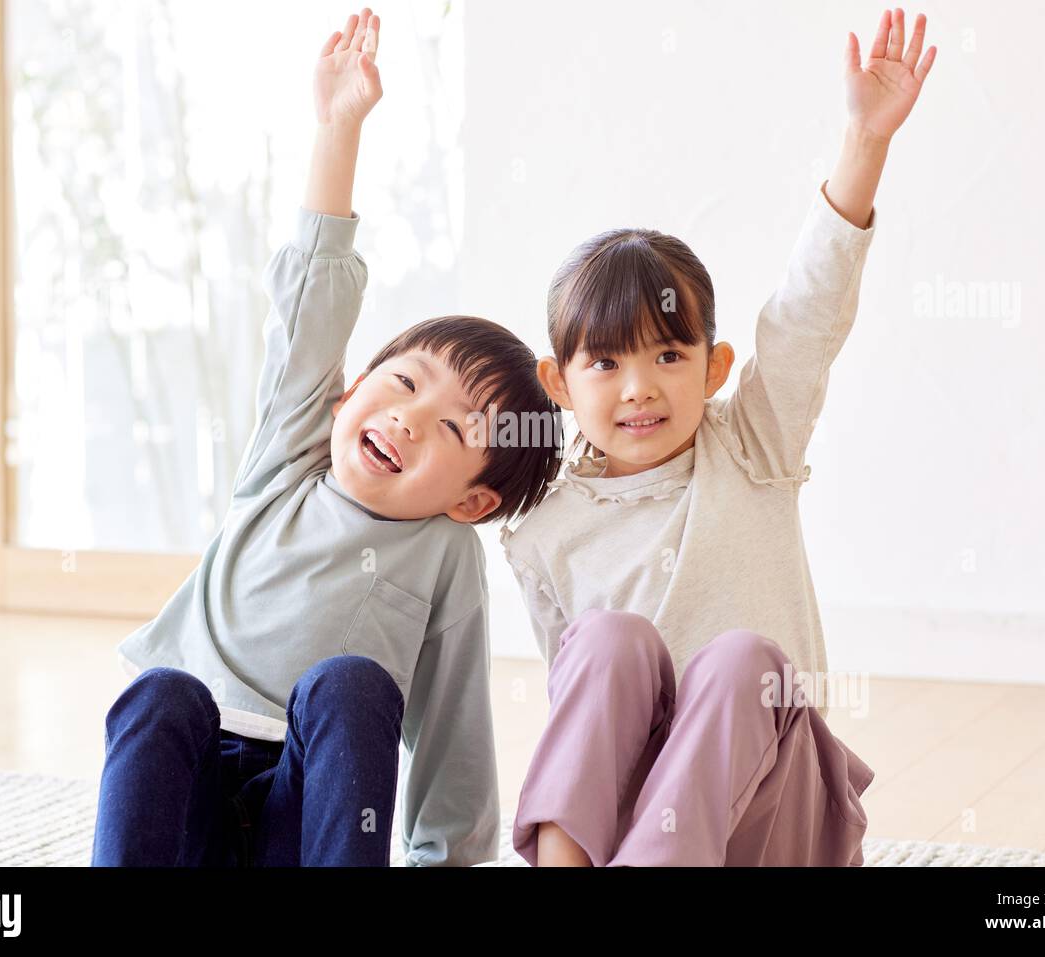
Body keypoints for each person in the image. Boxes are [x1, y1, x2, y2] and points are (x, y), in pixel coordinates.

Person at [91, 7, 562, 868]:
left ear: (472, 498)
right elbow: (312, 306)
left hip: (305, 825)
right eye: (404, 382)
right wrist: (338, 128)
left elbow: (457, 721)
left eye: (452, 428)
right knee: (159, 696)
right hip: (189, 805)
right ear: (349, 389)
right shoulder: (292, 451)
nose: (408, 418)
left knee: (350, 683)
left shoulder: (443, 553)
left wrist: (448, 855)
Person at [499, 8, 937, 866]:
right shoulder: (544, 530)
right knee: (611, 642)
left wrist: (864, 141)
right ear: (558, 383)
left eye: (668, 353)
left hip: (779, 821)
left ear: (713, 366)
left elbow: (808, 313)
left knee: (741, 663)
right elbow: (582, 724)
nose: (640, 386)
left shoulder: (751, 448)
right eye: (607, 362)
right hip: (629, 830)